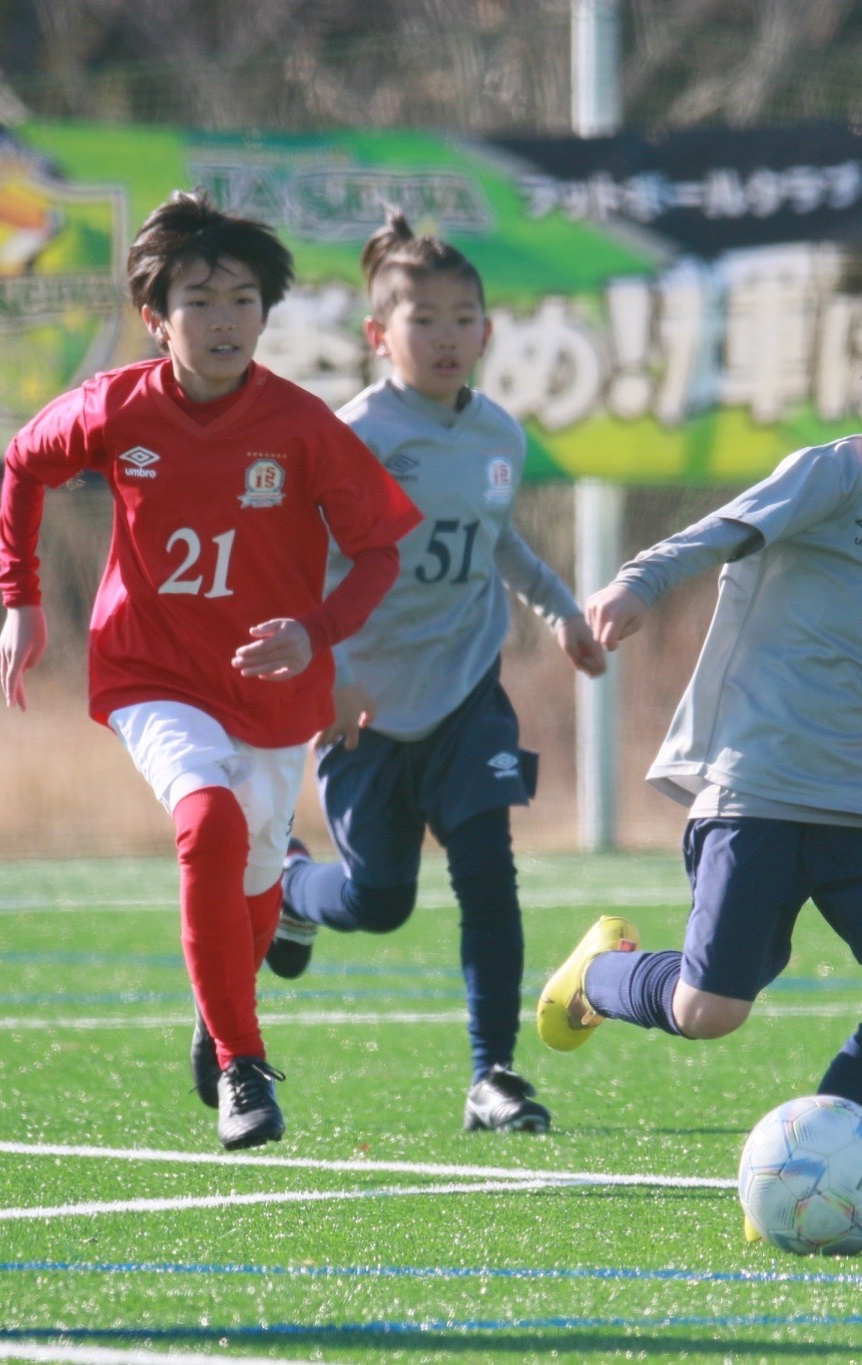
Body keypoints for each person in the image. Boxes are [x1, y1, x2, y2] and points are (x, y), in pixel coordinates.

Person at [534, 236, 862, 1137]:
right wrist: (637, 582)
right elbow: (723, 529)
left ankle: (827, 1144)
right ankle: (598, 974)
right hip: (762, 786)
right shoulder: (838, 471)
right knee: (710, 1009)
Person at [0, 192, 422, 1150]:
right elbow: (24, 461)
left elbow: (382, 550)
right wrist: (20, 597)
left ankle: (219, 1000)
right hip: (150, 670)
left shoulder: (302, 426)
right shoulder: (116, 407)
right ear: (157, 319)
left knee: (260, 876)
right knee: (208, 820)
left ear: (265, 315)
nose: (223, 319)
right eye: (199, 299)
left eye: (241, 300)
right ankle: (242, 1062)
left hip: (273, 693)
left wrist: (316, 634)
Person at [267, 209, 606, 1135]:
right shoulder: (353, 435)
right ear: (381, 336)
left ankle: (492, 1076)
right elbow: (296, 567)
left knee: (488, 873)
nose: (449, 336)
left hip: (465, 694)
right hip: (362, 706)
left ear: (489, 332)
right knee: (378, 902)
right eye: (426, 320)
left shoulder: (500, 435)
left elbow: (502, 544)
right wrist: (323, 671)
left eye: (465, 318)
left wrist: (564, 612)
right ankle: (288, 887)